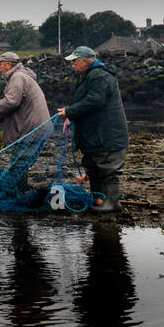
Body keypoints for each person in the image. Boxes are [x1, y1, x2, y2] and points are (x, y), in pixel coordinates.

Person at [57, 46, 129, 214]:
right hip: (94, 134)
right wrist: (71, 116)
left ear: (85, 61)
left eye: (75, 61)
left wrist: (70, 111)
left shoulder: (100, 75)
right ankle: (99, 199)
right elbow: (85, 101)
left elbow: (95, 100)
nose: (72, 65)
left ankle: (112, 203)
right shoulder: (88, 75)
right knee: (93, 167)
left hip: (107, 134)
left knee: (108, 168)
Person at [0, 52, 50, 145]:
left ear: (8, 64)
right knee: (22, 159)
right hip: (35, 130)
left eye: (0, 64)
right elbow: (15, 106)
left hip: (30, 132)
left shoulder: (17, 77)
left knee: (21, 159)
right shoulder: (20, 76)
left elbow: (11, 102)